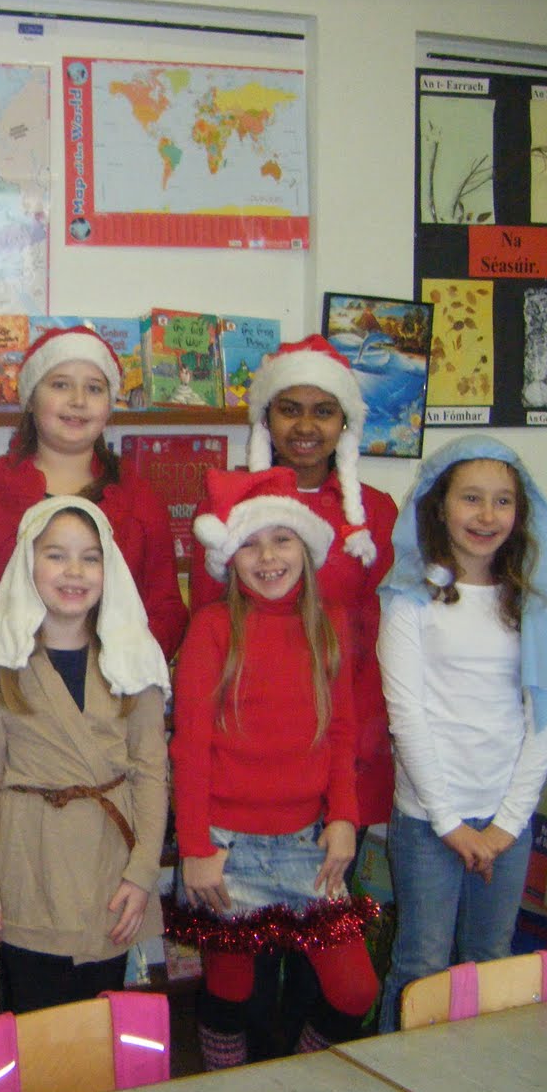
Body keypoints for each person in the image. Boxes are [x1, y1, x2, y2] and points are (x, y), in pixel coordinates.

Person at [170, 467, 379, 1070]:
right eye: (251, 544)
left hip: (310, 842)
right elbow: (190, 746)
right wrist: (195, 845)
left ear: (307, 550)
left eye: (282, 540)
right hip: (227, 848)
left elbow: (340, 733)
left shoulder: (329, 624)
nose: (267, 557)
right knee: (230, 993)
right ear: (230, 557)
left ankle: (299, 1083)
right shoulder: (213, 628)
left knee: (353, 990)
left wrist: (344, 814)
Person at [375, 436, 547, 1032]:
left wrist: (508, 823)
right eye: (471, 499)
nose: (487, 516)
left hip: (505, 821)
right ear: (440, 507)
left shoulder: (531, 600)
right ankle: (403, 1091)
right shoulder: (411, 600)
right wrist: (450, 823)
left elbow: (544, 715)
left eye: (503, 501)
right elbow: (406, 716)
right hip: (430, 820)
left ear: (521, 511)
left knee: (492, 960)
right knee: (422, 966)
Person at [0, 497, 170, 1013]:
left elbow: (150, 771)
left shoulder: (133, 653)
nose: (74, 571)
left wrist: (142, 872)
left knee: (104, 1020)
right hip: (28, 865)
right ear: (27, 563)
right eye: (56, 555)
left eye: (90, 557)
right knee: (37, 1024)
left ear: (109, 568)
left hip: (110, 866)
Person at [188, 335, 398, 831]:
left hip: (343, 737)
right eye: (289, 409)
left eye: (323, 411)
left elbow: (378, 634)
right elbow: (207, 619)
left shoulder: (376, 513)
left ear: (344, 422)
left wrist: (361, 741)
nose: (305, 426)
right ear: (265, 418)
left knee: (328, 903)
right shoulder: (224, 507)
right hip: (248, 746)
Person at [0, 326, 187, 658]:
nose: (78, 401)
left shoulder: (139, 498)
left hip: (115, 692)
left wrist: (124, 668)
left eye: (94, 388)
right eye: (60, 384)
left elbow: (166, 607)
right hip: (11, 691)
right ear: (32, 399)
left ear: (109, 404)